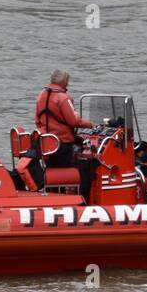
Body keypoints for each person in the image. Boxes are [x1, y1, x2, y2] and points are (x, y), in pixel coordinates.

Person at [35, 68, 96, 198]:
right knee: (66, 173)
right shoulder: (63, 98)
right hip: (62, 143)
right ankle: (66, 197)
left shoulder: (41, 95)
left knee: (51, 171)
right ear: (64, 82)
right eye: (67, 82)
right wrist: (91, 124)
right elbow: (73, 121)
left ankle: (51, 195)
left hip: (46, 144)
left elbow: (37, 121)